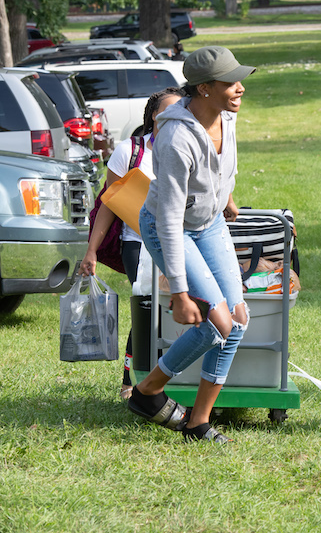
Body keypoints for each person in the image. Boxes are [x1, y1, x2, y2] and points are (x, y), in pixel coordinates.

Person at [127, 46, 255, 443]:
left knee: (237, 321)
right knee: (215, 324)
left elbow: (221, 166)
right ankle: (148, 390)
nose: (240, 88)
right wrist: (180, 292)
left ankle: (198, 422)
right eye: (230, 82)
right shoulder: (176, 138)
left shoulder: (227, 117)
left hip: (209, 223)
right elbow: (167, 218)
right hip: (171, 228)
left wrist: (224, 196)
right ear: (203, 89)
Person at [79, 86, 185, 400]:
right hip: (137, 244)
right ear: (154, 117)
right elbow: (110, 204)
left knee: (177, 305)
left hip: (181, 242)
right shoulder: (129, 151)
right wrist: (91, 251)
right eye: (168, 111)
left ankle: (169, 375)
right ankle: (131, 381)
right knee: (146, 307)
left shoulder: (188, 147)